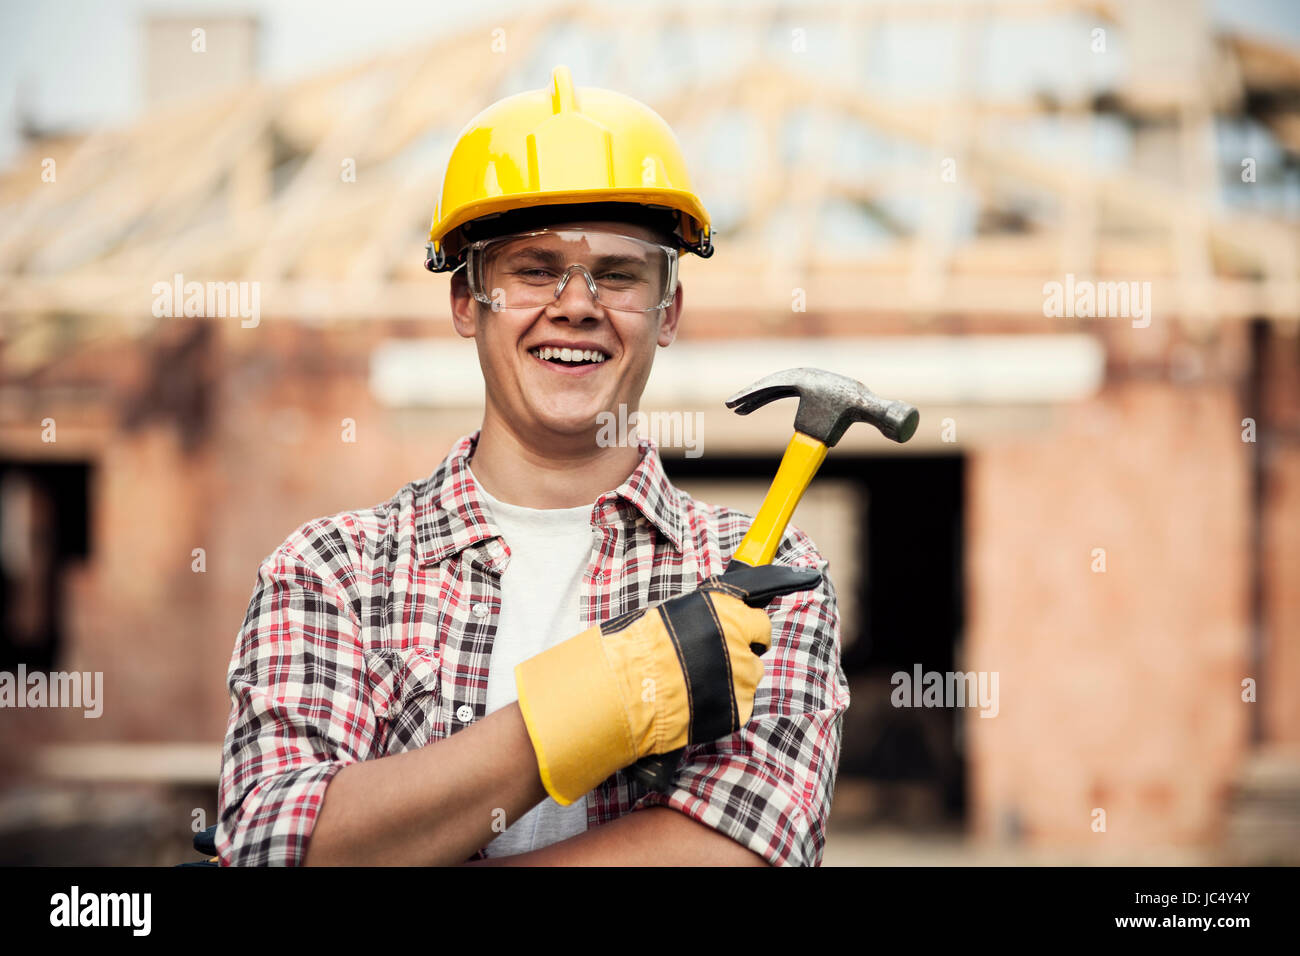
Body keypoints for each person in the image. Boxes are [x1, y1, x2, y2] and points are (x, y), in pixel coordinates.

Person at [216, 66, 850, 867]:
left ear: (669, 312)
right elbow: (277, 845)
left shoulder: (764, 580)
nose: (577, 303)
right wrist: (603, 699)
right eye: (535, 268)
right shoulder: (331, 572)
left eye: (619, 272)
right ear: (465, 301)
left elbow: (747, 850)